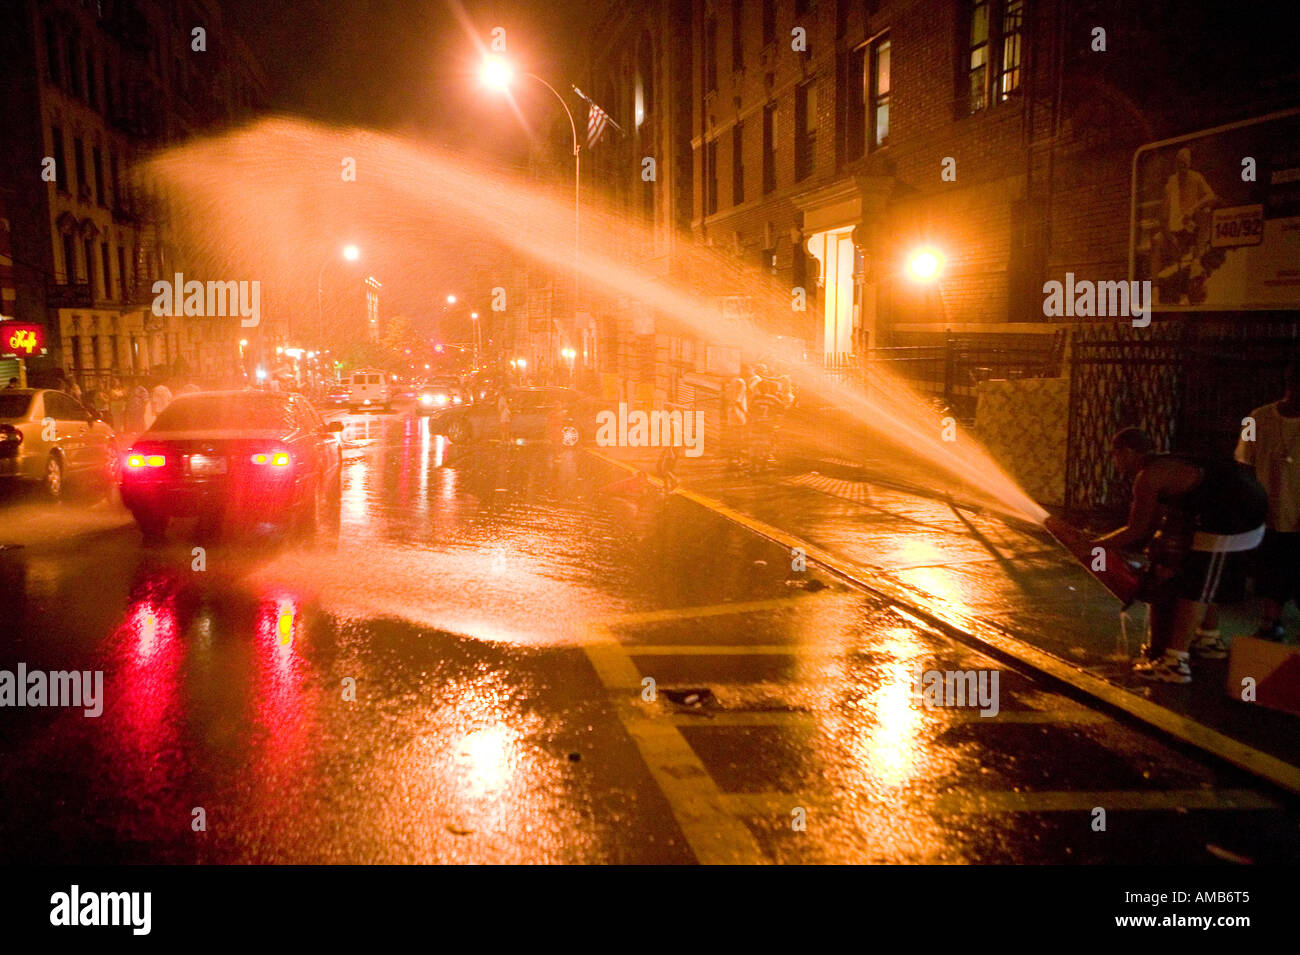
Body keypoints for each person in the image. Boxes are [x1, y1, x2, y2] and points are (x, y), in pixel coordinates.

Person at [1086, 428, 1267, 683]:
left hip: (1232, 516)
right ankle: (1208, 639)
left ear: (1126, 452)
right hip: (1249, 509)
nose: (1114, 462)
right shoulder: (1168, 464)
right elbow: (1160, 519)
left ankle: (1175, 663)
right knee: (1207, 578)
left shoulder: (1148, 476)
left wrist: (1096, 545)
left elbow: (1138, 528)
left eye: (1114, 455)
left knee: (1195, 588)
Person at [1236, 360, 1300, 640]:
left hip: (1297, 513)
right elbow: (1244, 463)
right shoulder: (1256, 419)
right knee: (1268, 572)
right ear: (1290, 385)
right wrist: (1251, 505)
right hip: (1268, 511)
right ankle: (1271, 623)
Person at [722, 374, 749, 468]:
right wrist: (745, 413)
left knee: (732, 438)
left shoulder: (731, 383)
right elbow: (738, 401)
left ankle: (732, 459)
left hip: (731, 415)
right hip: (739, 416)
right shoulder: (740, 383)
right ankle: (737, 459)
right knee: (739, 438)